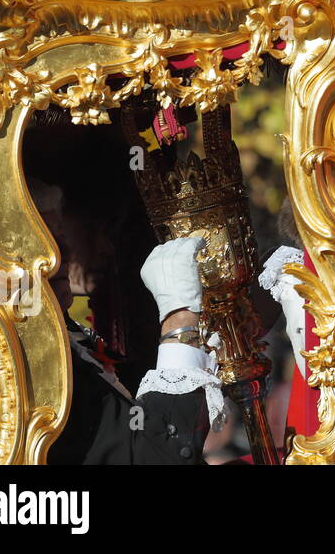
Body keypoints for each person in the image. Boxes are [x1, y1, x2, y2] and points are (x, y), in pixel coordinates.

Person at [36, 179, 223, 464]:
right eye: (48, 238)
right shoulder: (35, 360)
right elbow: (157, 457)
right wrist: (180, 317)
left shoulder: (69, 337)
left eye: (63, 235)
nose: (65, 251)